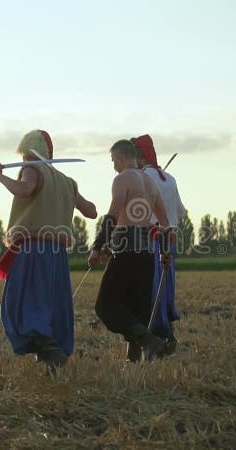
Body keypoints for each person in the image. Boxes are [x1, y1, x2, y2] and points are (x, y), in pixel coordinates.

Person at [0, 129, 97, 373]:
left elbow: (24, 190)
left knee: (22, 303)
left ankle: (47, 349)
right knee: (50, 304)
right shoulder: (67, 181)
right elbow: (91, 211)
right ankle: (51, 358)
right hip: (57, 254)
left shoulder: (32, 169)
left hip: (33, 249)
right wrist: (70, 199)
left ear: (28, 152)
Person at [89, 139, 172, 362]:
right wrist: (164, 252)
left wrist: (97, 247)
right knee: (135, 310)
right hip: (147, 252)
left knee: (105, 306)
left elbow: (112, 215)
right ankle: (133, 361)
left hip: (126, 250)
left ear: (121, 157)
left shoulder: (122, 179)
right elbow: (164, 222)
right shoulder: (151, 182)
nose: (114, 165)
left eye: (113, 160)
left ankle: (149, 341)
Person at [132, 134, 186, 356]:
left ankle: (154, 339)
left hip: (149, 239)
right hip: (169, 239)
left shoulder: (142, 177)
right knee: (164, 290)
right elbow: (181, 213)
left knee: (148, 291)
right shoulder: (170, 178)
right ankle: (167, 335)